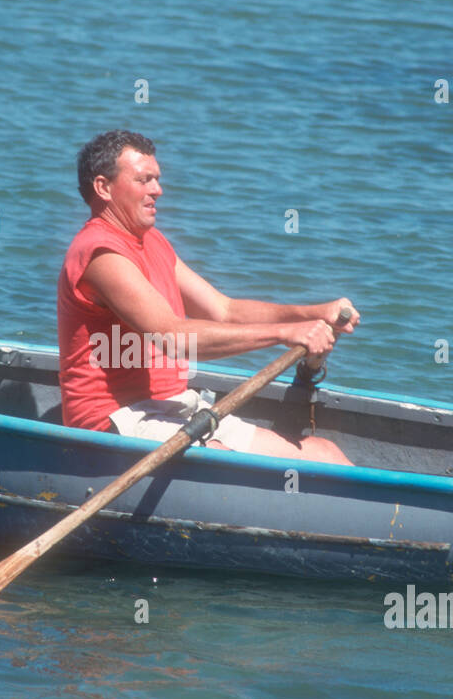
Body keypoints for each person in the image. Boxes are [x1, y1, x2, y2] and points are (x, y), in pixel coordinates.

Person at [57, 130, 356, 464]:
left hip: (175, 409)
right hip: (116, 424)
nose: (158, 190)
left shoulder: (152, 241)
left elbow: (224, 311)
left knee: (325, 455)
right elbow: (173, 337)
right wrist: (283, 334)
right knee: (229, 465)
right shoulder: (102, 255)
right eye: (144, 180)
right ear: (103, 187)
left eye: (157, 179)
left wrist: (315, 313)